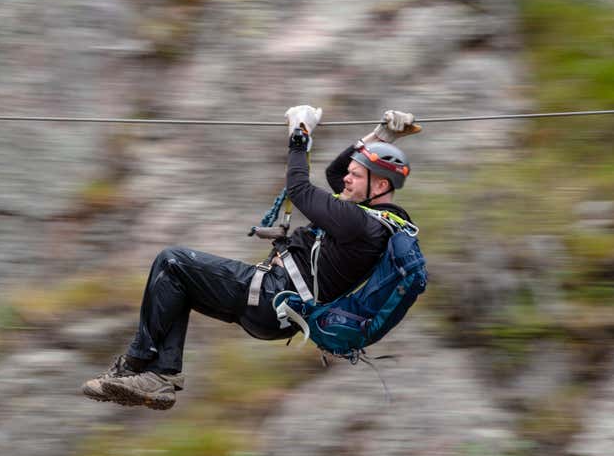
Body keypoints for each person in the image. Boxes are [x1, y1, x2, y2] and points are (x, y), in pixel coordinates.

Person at [81, 106, 420, 410]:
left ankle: (137, 366)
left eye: (357, 175)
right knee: (179, 283)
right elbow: (336, 175)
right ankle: (160, 376)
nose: (347, 178)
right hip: (277, 309)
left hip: (272, 296)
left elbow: (299, 189)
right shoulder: (378, 220)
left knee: (172, 262)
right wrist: (379, 138)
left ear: (380, 187)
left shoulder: (358, 224)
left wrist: (300, 134)